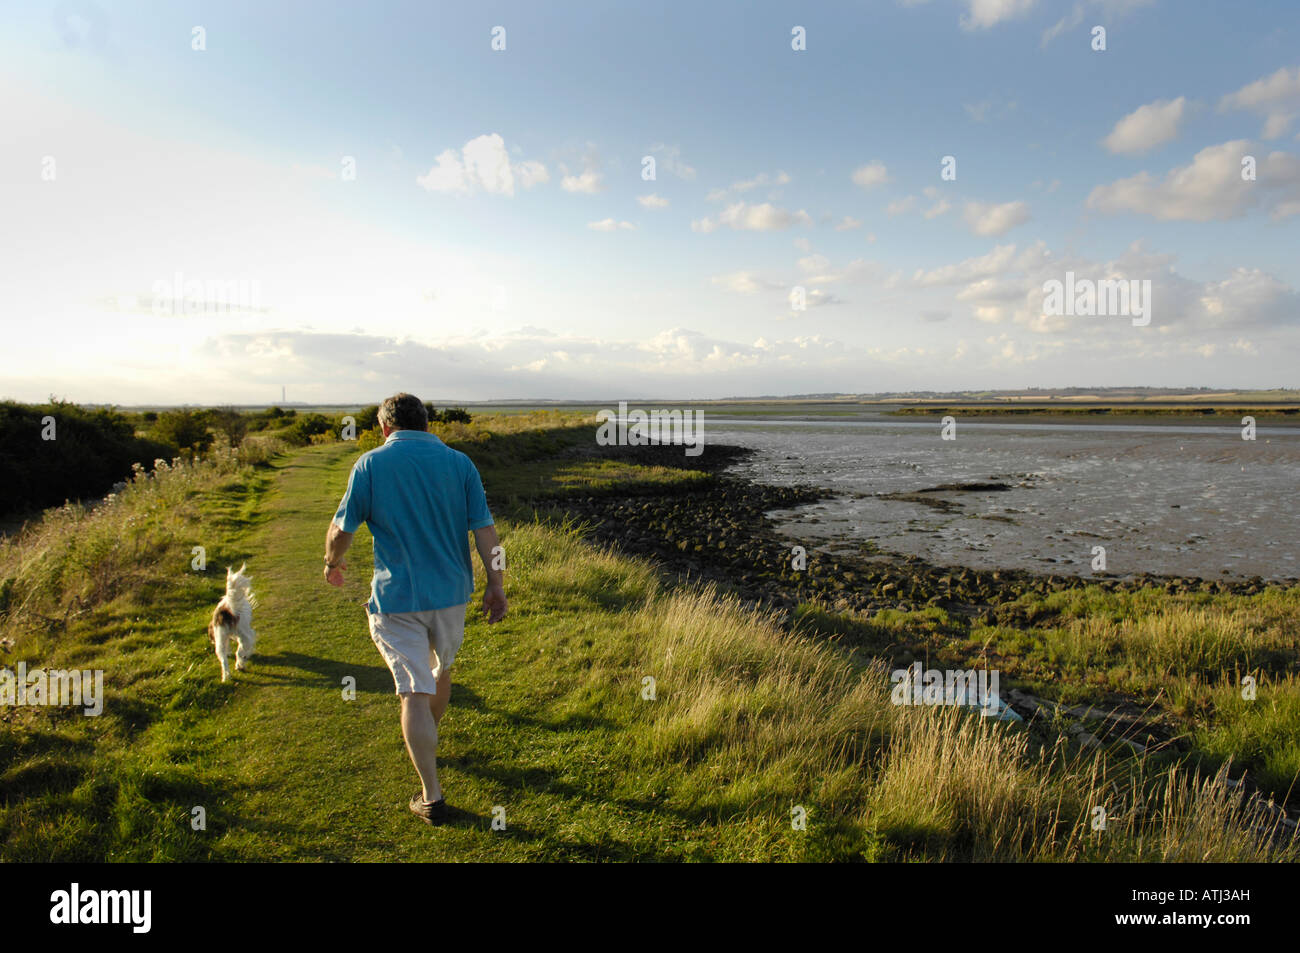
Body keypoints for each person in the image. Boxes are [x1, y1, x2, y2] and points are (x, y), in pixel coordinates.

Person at [323, 393, 507, 824]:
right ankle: (428, 740)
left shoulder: (370, 465)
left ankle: (431, 795)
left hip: (397, 596)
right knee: (439, 672)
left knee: (413, 690)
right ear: (426, 423)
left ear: (385, 428)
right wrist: (496, 584)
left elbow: (340, 529)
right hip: (451, 594)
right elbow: (487, 534)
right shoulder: (461, 464)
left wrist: (333, 563)